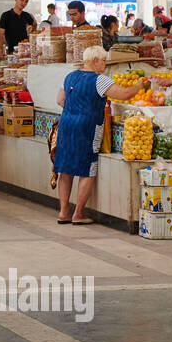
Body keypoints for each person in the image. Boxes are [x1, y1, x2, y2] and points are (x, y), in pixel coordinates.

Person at [53, 46, 146, 225]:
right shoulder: (99, 80)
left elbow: (60, 100)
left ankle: (63, 212)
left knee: (65, 169)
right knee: (87, 169)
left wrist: (74, 110)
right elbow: (124, 94)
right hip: (87, 126)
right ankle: (78, 214)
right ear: (95, 61)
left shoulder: (69, 76)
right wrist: (139, 85)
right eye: (103, 60)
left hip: (66, 124)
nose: (104, 64)